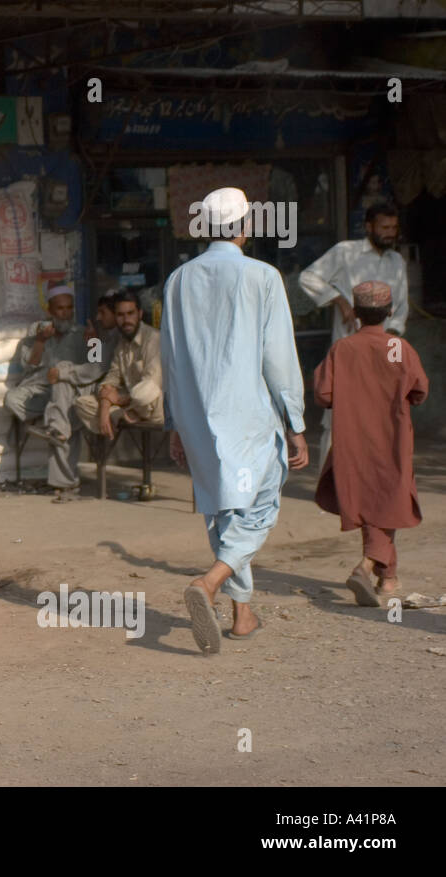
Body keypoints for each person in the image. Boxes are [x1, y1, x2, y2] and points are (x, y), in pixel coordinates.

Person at [162, 187, 308, 653]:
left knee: (224, 509)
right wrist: (296, 422)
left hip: (197, 415)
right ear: (245, 227)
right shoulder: (262, 276)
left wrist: (174, 423)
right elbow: (278, 357)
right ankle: (209, 583)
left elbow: (170, 358)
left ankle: (243, 614)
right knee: (260, 505)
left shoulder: (178, 280)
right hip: (247, 413)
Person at [313, 280, 428, 606]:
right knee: (388, 501)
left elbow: (323, 393)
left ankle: (387, 578)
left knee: (372, 502)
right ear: (389, 311)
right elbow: (420, 392)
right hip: (392, 440)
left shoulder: (343, 348)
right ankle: (365, 567)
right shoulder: (398, 347)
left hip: (353, 441)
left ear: (357, 313)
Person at [299, 203, 408, 466]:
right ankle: (330, 485)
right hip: (348, 350)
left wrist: (391, 346)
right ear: (369, 227)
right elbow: (307, 278)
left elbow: (401, 308)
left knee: (380, 420)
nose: (389, 233)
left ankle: (369, 484)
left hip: (385, 353)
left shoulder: (397, 261)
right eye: (384, 227)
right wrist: (340, 301)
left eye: (393, 228)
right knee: (338, 418)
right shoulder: (346, 252)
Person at [25, 292, 119, 501]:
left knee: (62, 375)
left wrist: (64, 371)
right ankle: (64, 479)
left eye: (103, 312)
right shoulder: (96, 333)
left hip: (103, 390)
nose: (99, 316)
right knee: (65, 418)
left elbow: (95, 368)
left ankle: (57, 429)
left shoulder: (107, 336)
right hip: (81, 389)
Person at [73, 290, 163, 441]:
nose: (126, 319)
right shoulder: (120, 342)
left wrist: (120, 399)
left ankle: (121, 415)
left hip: (151, 405)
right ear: (115, 317)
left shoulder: (153, 339)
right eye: (121, 315)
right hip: (128, 404)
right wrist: (104, 408)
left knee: (143, 393)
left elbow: (151, 385)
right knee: (81, 403)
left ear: (140, 314)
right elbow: (110, 378)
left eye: (130, 313)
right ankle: (121, 416)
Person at [4, 285, 87, 429]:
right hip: (39, 389)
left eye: (69, 308)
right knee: (11, 399)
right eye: (60, 309)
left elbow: (97, 365)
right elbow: (28, 366)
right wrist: (40, 341)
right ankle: (53, 416)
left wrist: (95, 341)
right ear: (50, 311)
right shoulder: (37, 332)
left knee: (69, 398)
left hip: (67, 388)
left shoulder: (84, 333)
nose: (65, 313)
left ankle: (52, 420)